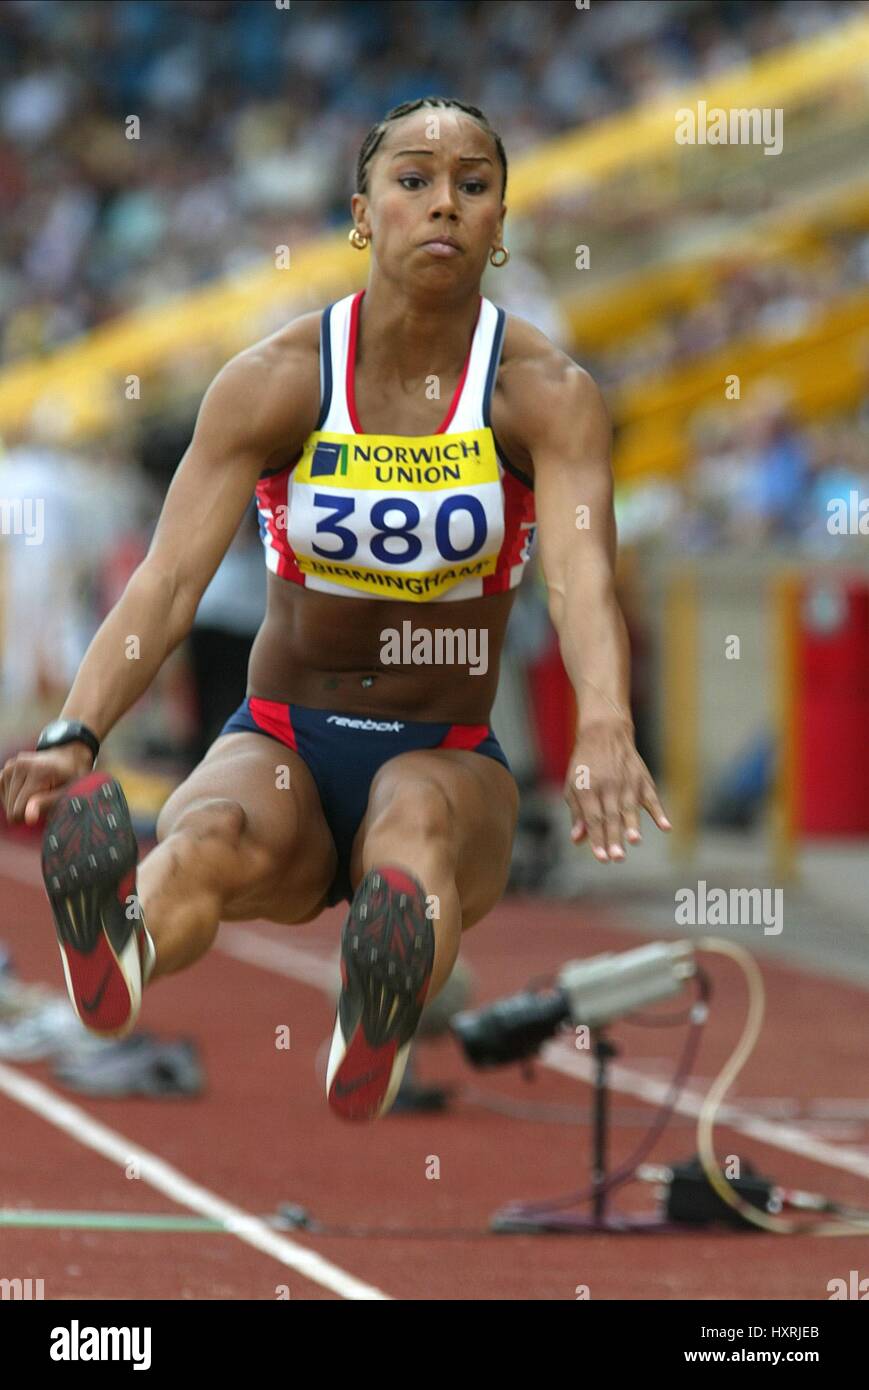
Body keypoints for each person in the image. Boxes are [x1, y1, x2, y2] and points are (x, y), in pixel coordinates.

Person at [1, 97, 670, 1123]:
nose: (442, 203)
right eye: (412, 181)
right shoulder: (275, 379)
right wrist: (74, 731)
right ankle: (117, 949)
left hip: (442, 745)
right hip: (281, 736)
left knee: (412, 826)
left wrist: (607, 723)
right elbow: (166, 584)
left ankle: (378, 1005)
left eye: (472, 185)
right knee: (209, 831)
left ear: (498, 224)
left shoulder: (540, 393)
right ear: (363, 213)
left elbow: (578, 573)